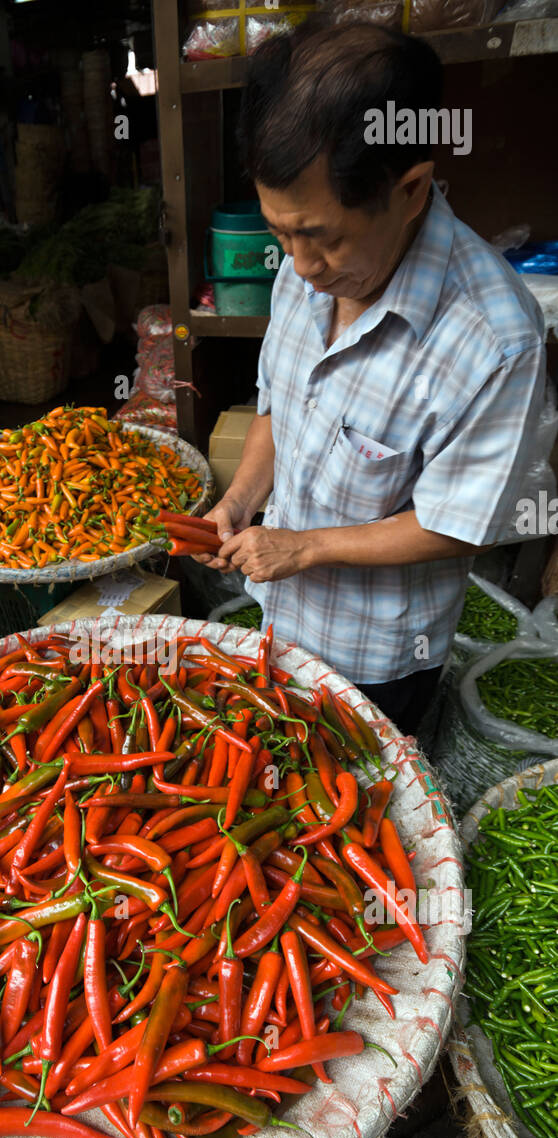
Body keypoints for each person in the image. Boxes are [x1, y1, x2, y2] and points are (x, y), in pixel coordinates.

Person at [197, 23, 546, 737]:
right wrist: (239, 501)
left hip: (379, 660)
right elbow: (278, 407)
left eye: (320, 236)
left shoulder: (492, 338)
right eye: (279, 233)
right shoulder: (307, 271)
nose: (297, 266)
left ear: (411, 188)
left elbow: (455, 524)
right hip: (281, 622)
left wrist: (303, 547)